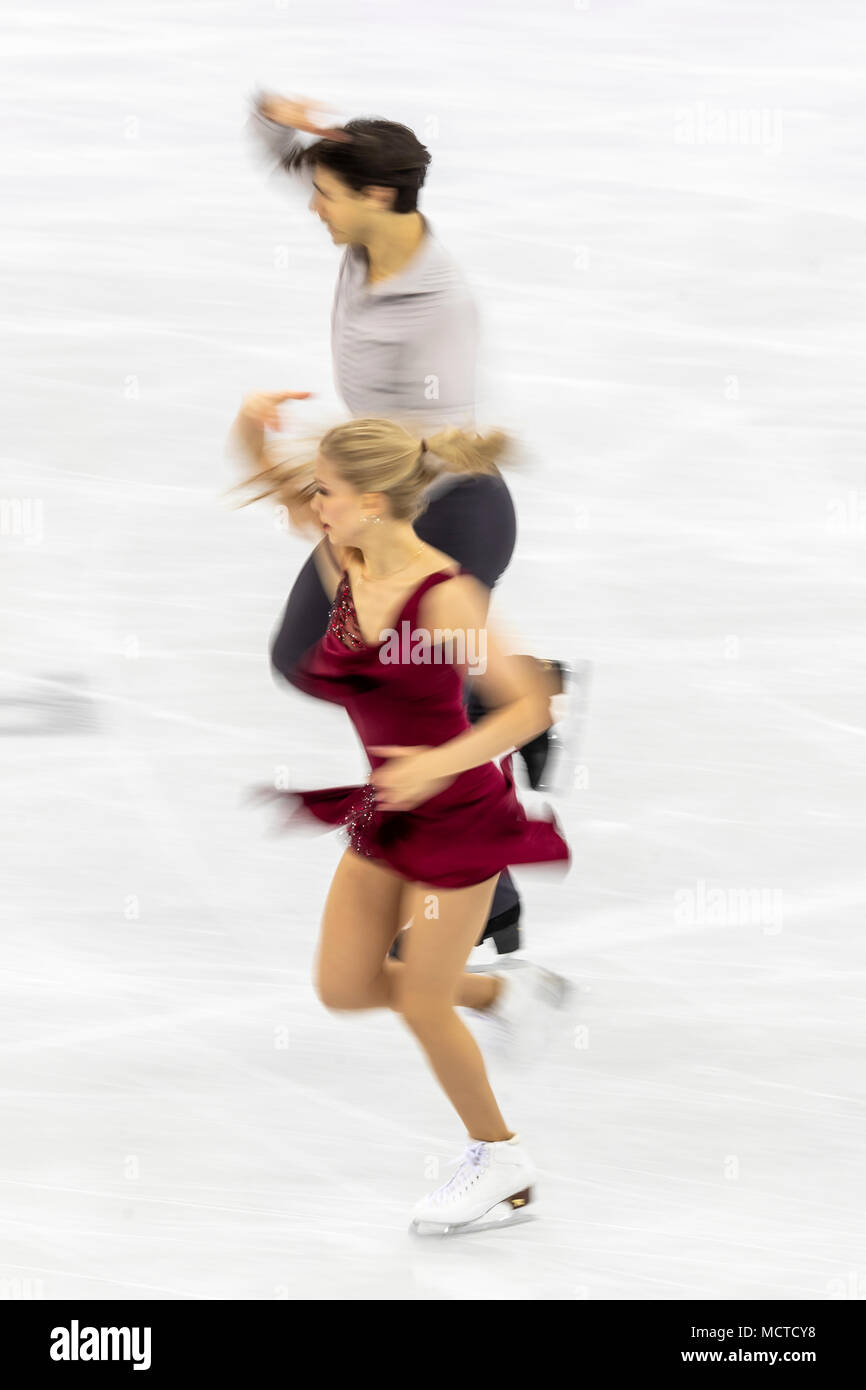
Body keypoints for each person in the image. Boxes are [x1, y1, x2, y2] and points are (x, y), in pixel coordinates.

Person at [229, 397, 572, 1235]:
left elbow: (527, 706)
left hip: (460, 816)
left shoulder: (445, 597)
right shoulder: (342, 555)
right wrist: (248, 424)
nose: (314, 505)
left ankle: (502, 1161)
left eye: (327, 493)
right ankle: (497, 994)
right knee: (343, 985)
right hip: (389, 813)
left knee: (419, 1000)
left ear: (373, 501)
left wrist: (437, 763)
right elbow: (274, 484)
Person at [245, 94, 568, 954]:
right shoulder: (364, 233)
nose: (313, 207)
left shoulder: (439, 308)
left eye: (328, 194)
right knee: (304, 658)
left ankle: (484, 889)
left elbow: (437, 443)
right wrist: (291, 124)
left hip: (441, 505)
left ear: (377, 198)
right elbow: (296, 163)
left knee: (408, 698)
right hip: (379, 493)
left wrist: (338, 485)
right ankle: (519, 687)